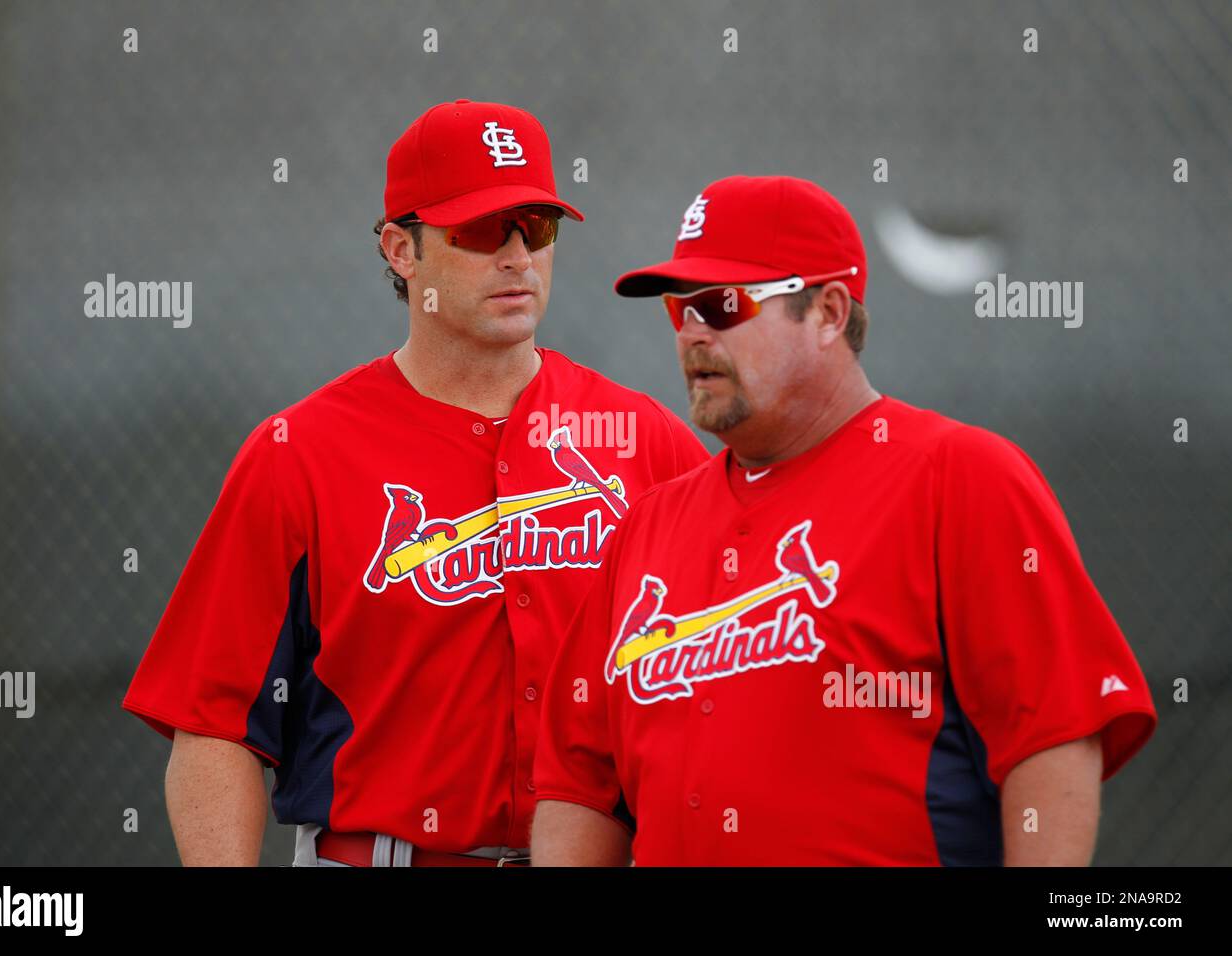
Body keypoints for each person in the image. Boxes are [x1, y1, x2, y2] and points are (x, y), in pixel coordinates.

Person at [121, 99, 708, 867]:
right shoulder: (299, 453)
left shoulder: (644, 441)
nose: (517, 257)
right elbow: (215, 726)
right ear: (402, 250)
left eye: (537, 226)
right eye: (479, 230)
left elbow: (719, 691)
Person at [530, 175, 1157, 865]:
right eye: (680, 309)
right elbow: (580, 786)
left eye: (724, 304)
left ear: (828, 313)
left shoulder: (960, 477)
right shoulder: (648, 526)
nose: (693, 333)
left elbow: (1053, 736)